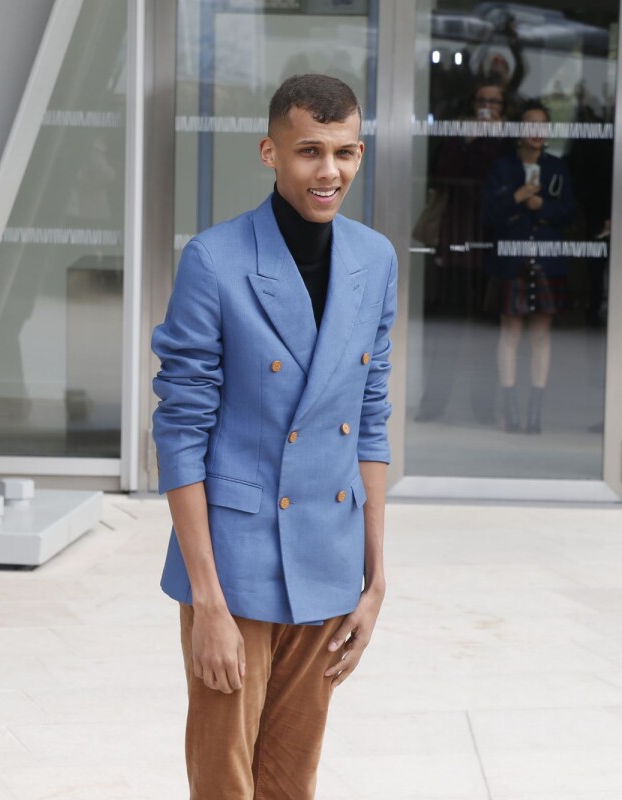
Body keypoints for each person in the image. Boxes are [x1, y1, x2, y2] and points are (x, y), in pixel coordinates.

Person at [151, 74, 396, 799]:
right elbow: (180, 430)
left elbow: (371, 417)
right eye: (309, 152)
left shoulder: (374, 259)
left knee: (292, 780)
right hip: (236, 563)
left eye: (347, 153)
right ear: (270, 152)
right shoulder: (215, 260)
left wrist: (375, 577)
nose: (330, 172)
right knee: (225, 778)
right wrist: (208, 605)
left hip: (328, 554)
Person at [415, 82, 512, 424]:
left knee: (487, 331)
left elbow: (499, 178)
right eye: (482, 101)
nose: (488, 107)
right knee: (446, 329)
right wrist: (470, 139)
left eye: (494, 101)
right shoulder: (458, 134)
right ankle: (433, 403)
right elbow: (444, 172)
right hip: (455, 238)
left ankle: (484, 408)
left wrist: (491, 138)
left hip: (491, 242)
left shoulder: (507, 139)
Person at [483, 99, 574, 434]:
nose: (536, 131)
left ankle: (535, 412)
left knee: (541, 335)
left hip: (547, 259)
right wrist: (517, 197)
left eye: (542, 125)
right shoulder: (502, 168)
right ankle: (510, 410)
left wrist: (542, 205)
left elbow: (570, 213)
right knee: (510, 332)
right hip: (511, 258)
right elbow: (487, 214)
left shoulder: (557, 168)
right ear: (518, 131)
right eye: (530, 124)